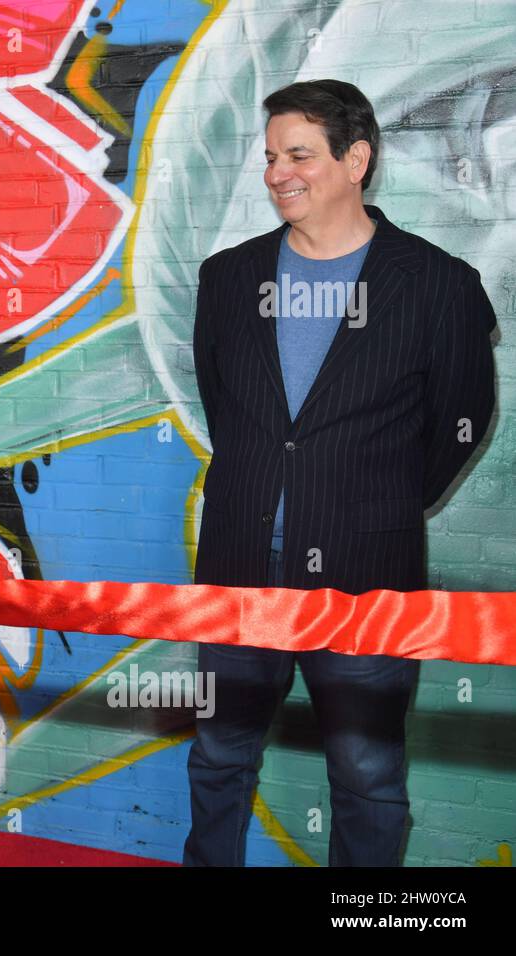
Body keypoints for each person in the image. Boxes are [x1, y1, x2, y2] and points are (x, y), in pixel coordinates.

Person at [186, 79, 496, 866]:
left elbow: (461, 419)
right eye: (270, 157)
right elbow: (229, 411)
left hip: (367, 576)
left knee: (366, 776)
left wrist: (377, 499)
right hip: (238, 570)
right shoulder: (227, 280)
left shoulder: (438, 284)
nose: (278, 174)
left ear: (356, 160)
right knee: (218, 759)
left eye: (299, 155)